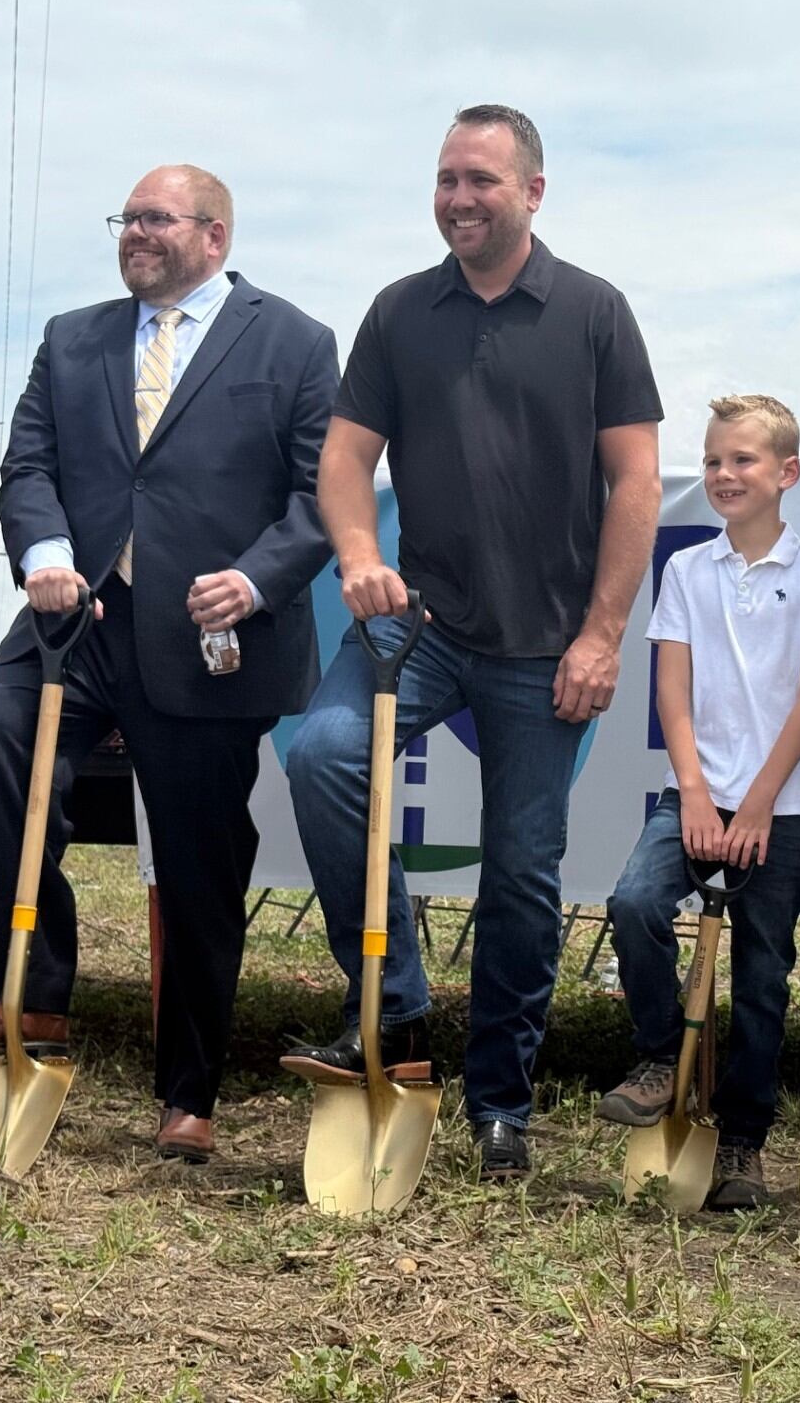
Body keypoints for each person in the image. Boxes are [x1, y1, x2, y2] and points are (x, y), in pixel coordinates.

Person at [281, 104, 663, 1181]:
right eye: (446, 178)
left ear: (533, 192)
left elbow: (636, 481)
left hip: (547, 647)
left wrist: (602, 634)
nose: (458, 198)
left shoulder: (594, 312)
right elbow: (347, 458)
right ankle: (392, 1009)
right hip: (421, 627)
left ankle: (501, 1101)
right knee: (321, 755)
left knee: (522, 877)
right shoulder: (402, 313)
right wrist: (358, 553)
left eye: (481, 181)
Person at [0, 165, 339, 1163]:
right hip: (79, 622)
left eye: (154, 219)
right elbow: (26, 465)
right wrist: (46, 555)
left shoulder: (293, 341)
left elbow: (321, 492)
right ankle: (31, 1000)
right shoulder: (72, 338)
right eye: (127, 219)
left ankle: (189, 1092)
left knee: (201, 861)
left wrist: (253, 580)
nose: (134, 234)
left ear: (215, 232)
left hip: (210, 636)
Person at [595, 394, 800, 1208]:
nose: (722, 475)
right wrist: (702, 796)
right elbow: (671, 691)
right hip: (696, 799)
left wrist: (758, 804)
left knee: (764, 974)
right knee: (634, 903)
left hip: (783, 807)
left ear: (787, 474)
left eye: (742, 460)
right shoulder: (685, 569)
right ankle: (660, 1055)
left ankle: (743, 1143)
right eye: (712, 461)